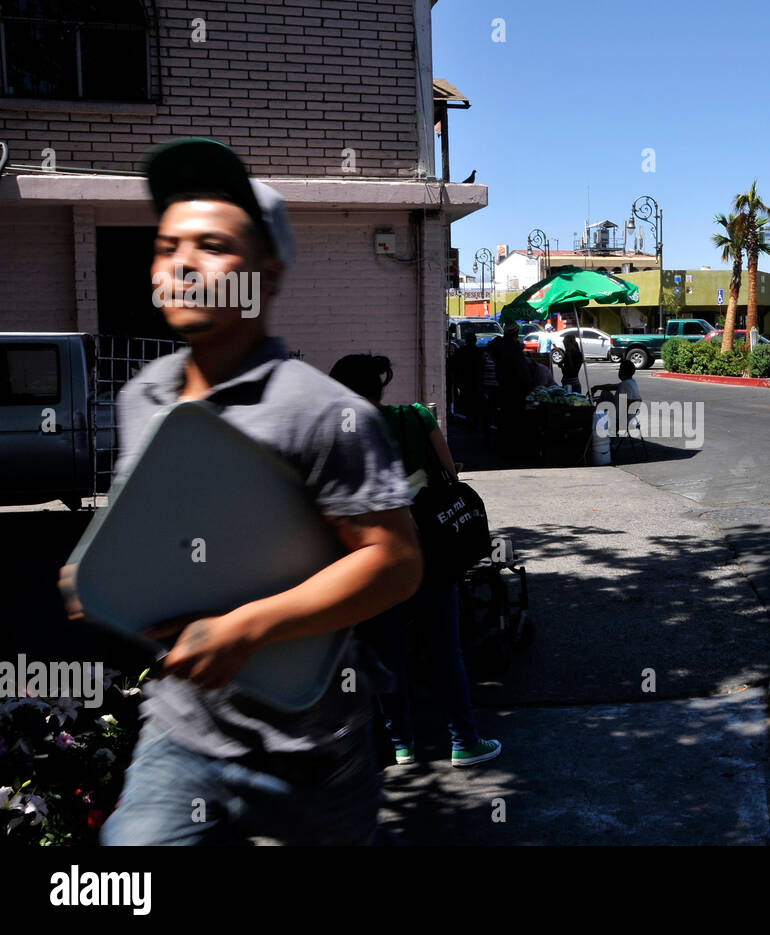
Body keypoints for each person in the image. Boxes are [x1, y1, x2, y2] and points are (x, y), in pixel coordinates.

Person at [76, 138, 424, 845]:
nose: (180, 261)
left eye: (210, 244)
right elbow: (153, 526)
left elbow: (396, 562)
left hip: (314, 754)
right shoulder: (141, 395)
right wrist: (105, 574)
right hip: (179, 736)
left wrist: (247, 627)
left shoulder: (327, 412)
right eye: (166, 243)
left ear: (265, 273)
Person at [328, 354, 502, 770]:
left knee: (389, 652)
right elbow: (450, 476)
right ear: (380, 386)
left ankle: (401, 745)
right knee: (445, 650)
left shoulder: (339, 433)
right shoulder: (417, 416)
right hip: (430, 552)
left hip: (372, 558)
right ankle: (464, 741)